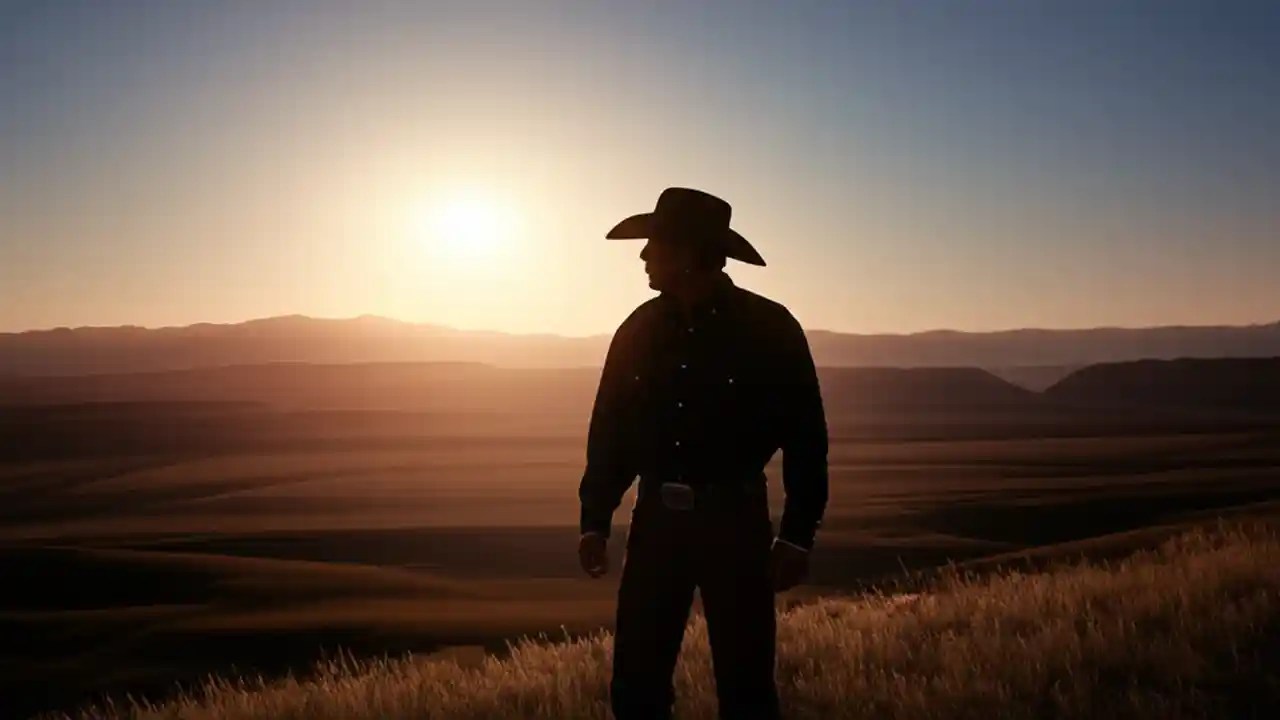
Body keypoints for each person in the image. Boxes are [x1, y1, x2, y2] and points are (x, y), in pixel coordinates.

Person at [577, 187, 829, 719]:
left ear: (690, 253)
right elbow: (612, 430)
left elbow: (806, 436)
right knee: (636, 683)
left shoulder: (770, 328)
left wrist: (797, 535)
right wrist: (594, 520)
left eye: (656, 244)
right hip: (656, 525)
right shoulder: (639, 329)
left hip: (735, 522)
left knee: (746, 684)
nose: (644, 255)